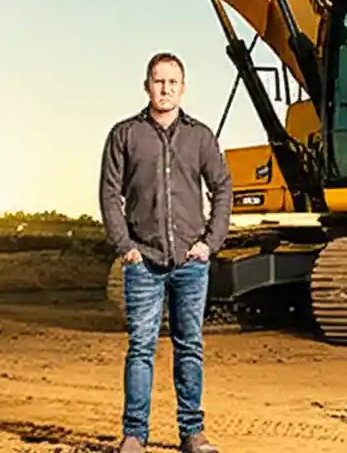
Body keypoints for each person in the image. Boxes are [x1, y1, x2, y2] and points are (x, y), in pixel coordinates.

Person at [99, 52, 233, 453]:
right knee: (141, 348)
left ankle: (192, 433)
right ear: (147, 86)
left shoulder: (201, 137)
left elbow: (223, 188)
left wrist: (210, 243)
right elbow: (109, 194)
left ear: (183, 88)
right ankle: (134, 435)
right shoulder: (124, 134)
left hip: (191, 262)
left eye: (173, 82)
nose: (165, 88)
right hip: (143, 260)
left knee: (189, 347)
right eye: (158, 81)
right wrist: (125, 247)